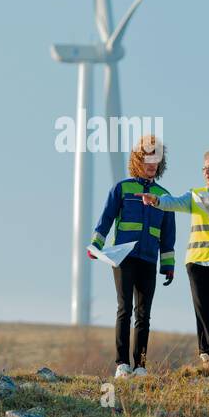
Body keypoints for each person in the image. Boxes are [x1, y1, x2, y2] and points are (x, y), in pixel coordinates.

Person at [141, 148, 209, 366]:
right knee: (202, 308)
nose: (206, 172)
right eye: (204, 168)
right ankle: (206, 354)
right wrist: (156, 200)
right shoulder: (196, 195)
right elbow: (172, 202)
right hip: (197, 259)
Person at [89, 135, 176, 378]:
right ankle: (121, 364)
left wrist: (168, 265)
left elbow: (168, 236)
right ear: (138, 160)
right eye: (147, 159)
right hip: (123, 257)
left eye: (156, 160)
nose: (151, 164)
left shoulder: (164, 196)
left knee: (144, 314)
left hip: (149, 259)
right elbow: (106, 219)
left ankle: (140, 366)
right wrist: (96, 245)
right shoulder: (121, 188)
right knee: (124, 308)